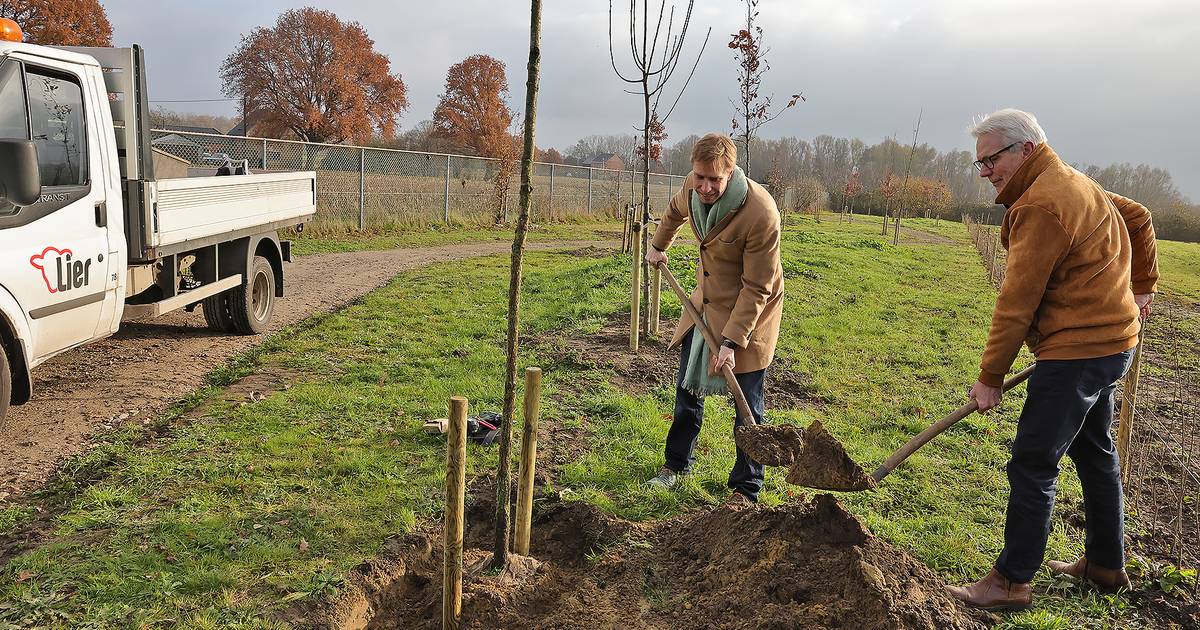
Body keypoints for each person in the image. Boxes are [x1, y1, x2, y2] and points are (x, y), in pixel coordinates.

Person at [946, 109, 1158, 610]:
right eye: (980, 163)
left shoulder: (1042, 203)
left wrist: (990, 377)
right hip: (1114, 344)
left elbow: (1016, 302)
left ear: (1026, 149)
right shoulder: (1071, 181)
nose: (985, 172)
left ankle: (1011, 581)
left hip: (1077, 352)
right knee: (1096, 452)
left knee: (1033, 463)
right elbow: (1138, 215)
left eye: (991, 160)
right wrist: (1142, 286)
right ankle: (1105, 564)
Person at [643, 133, 785, 504]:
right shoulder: (692, 186)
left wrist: (732, 342)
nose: (705, 187)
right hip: (706, 302)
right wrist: (658, 246)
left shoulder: (761, 213)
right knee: (687, 390)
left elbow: (757, 287)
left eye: (714, 180)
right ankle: (676, 465)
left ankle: (746, 488)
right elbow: (674, 212)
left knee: (746, 405)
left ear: (731, 172)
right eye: (700, 177)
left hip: (751, 312)